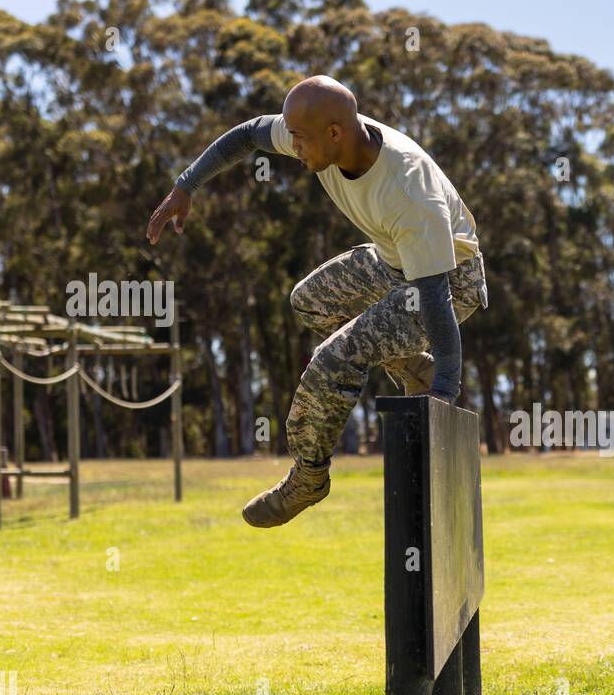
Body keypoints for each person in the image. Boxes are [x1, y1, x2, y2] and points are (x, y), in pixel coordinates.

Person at [146, 75, 487, 527]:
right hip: (393, 264)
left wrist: (442, 394)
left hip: (447, 281)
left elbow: (436, 299)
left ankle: (309, 478)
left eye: (300, 140)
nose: (294, 148)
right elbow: (248, 135)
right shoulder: (319, 133)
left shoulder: (408, 191)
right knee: (310, 301)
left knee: (336, 358)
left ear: (334, 133)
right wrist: (186, 185)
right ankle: (410, 364)